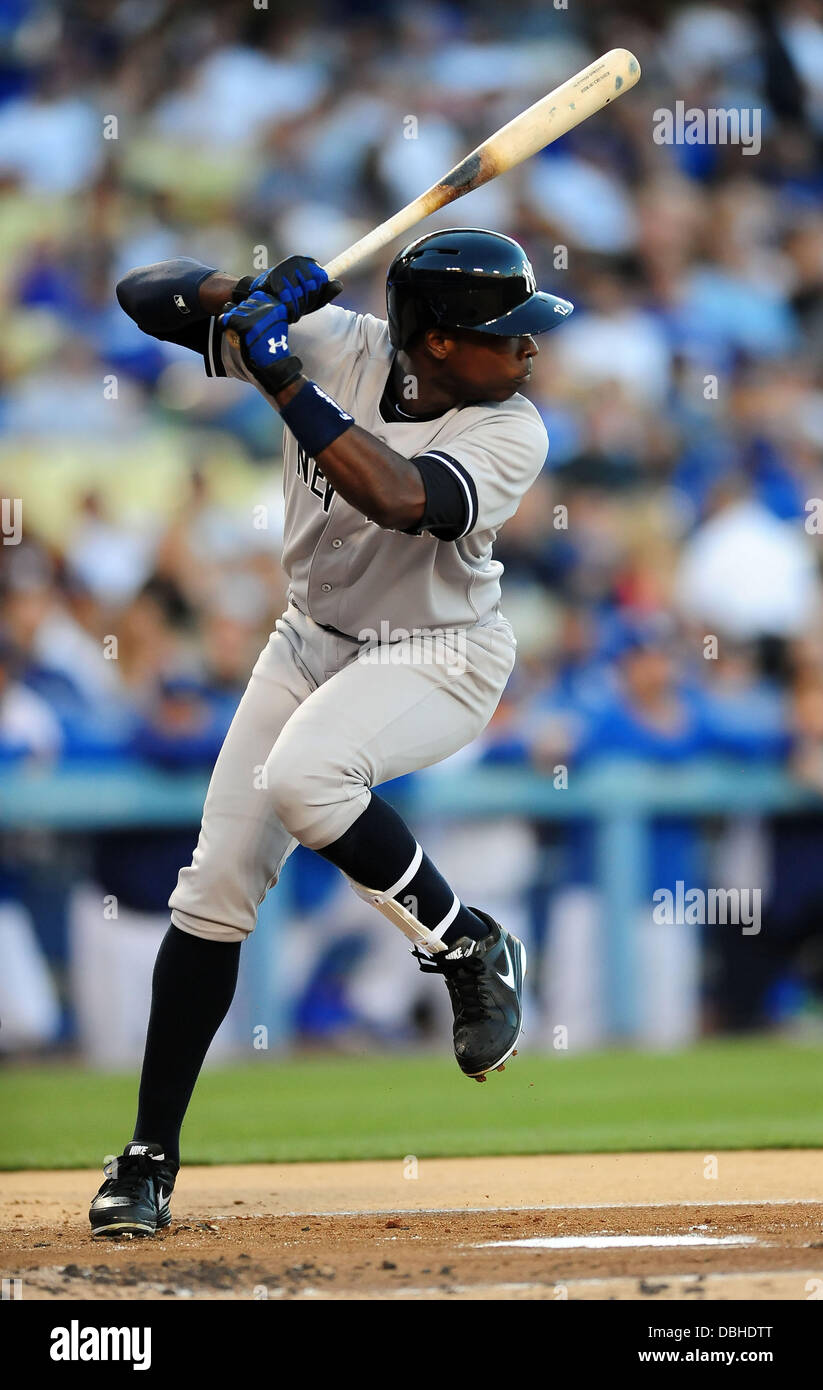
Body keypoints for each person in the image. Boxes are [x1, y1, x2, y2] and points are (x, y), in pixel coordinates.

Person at [89, 229, 573, 1237]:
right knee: (216, 886)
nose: (529, 352)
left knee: (309, 776)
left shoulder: (511, 427)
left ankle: (463, 943)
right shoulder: (337, 342)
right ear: (436, 342)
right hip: (310, 639)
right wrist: (249, 291)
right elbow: (141, 293)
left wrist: (281, 382)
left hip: (440, 652)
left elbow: (401, 498)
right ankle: (147, 1155)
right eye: (505, 334)